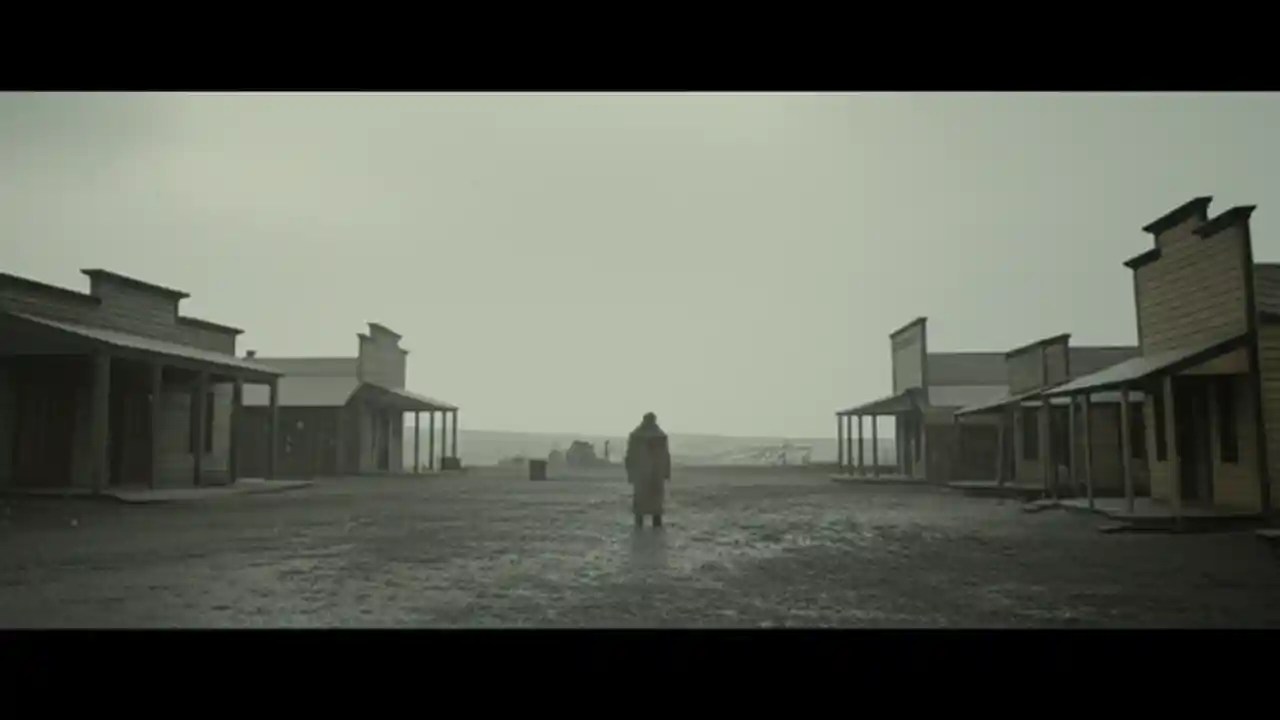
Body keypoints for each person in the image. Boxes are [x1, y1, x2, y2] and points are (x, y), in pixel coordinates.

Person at [625, 412, 672, 529]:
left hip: (641, 473)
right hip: (656, 472)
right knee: (655, 501)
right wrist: (666, 472)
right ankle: (656, 523)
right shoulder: (660, 436)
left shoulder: (636, 436)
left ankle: (639, 524)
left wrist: (630, 473)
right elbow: (665, 456)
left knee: (641, 501)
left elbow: (630, 456)